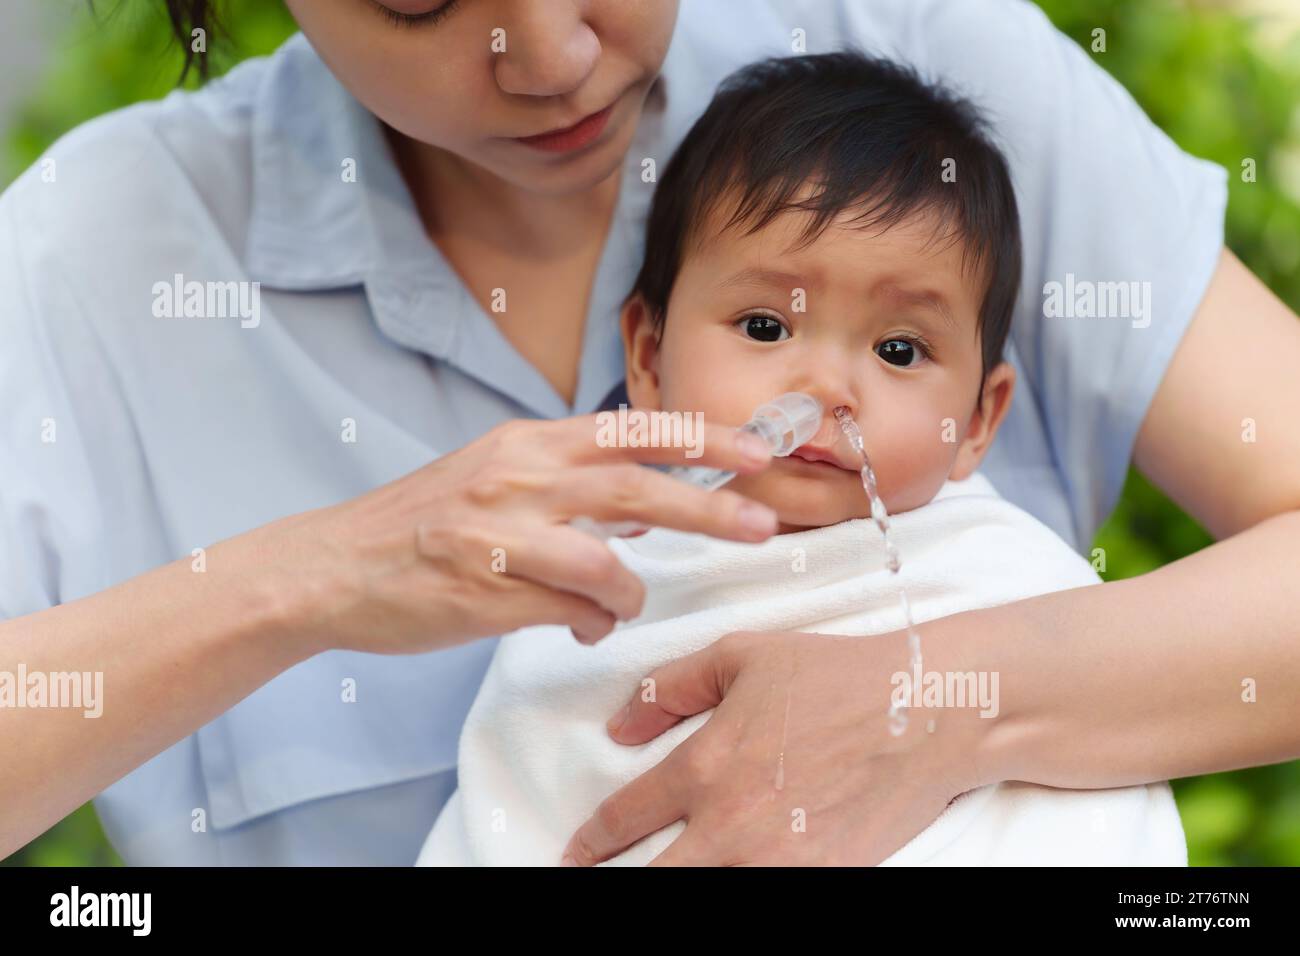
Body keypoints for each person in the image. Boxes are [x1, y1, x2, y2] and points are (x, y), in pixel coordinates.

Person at [0, 0, 1296, 866]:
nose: (551, 54)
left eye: (899, 351)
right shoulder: (89, 264)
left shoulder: (914, 67)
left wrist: (936, 703)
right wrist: (313, 582)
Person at [417, 50, 1187, 867]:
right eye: (764, 327)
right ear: (646, 356)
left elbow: (1095, 826)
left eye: (898, 348)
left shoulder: (1012, 583)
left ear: (975, 422)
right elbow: (513, 802)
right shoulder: (590, 586)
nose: (826, 386)